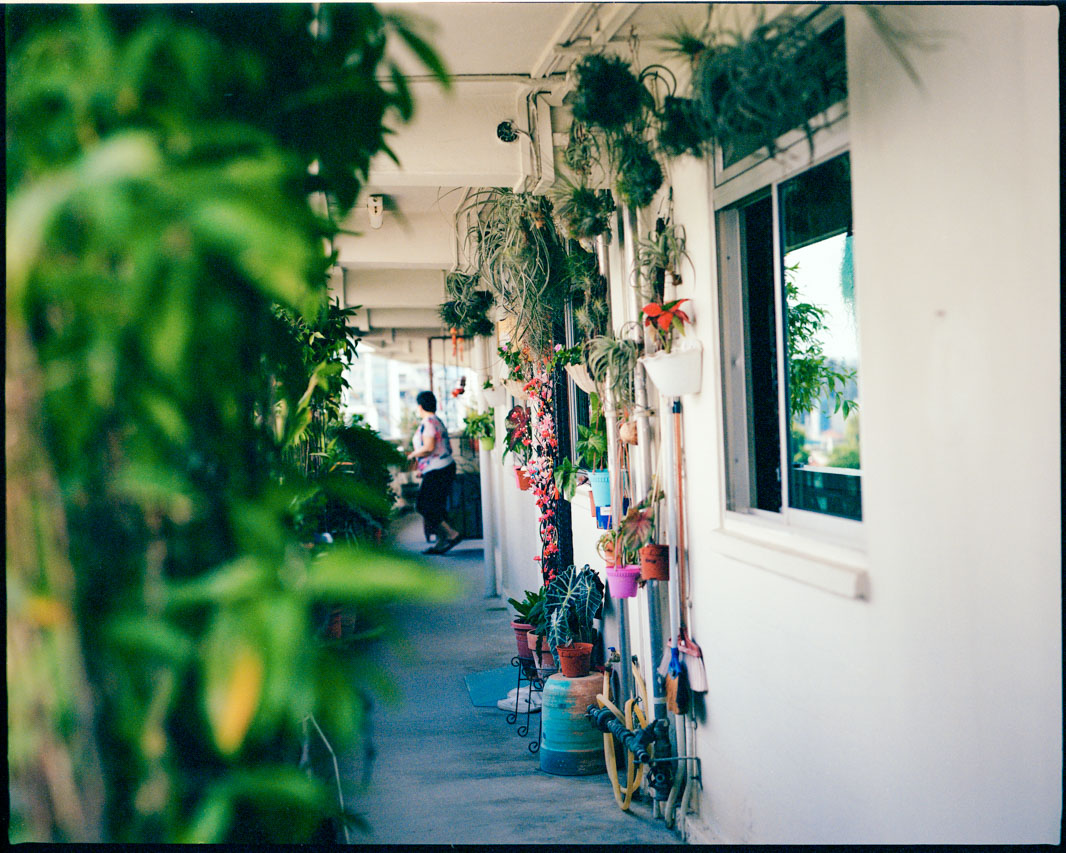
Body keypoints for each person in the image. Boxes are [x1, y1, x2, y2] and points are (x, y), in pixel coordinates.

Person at [407, 390, 463, 554]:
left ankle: (452, 534)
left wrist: (413, 455)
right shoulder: (437, 421)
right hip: (441, 468)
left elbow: (429, 448)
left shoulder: (429, 422)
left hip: (439, 469)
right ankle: (442, 541)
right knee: (435, 506)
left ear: (420, 406)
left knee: (424, 505)